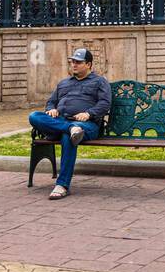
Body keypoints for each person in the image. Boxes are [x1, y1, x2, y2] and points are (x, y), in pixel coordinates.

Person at [28, 48, 112, 200]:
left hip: (87, 125)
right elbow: (51, 101)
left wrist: (88, 114)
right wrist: (51, 109)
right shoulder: (64, 83)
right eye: (73, 62)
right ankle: (70, 128)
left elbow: (105, 104)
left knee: (69, 137)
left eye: (78, 62)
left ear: (89, 64)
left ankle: (62, 185)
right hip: (62, 121)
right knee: (34, 116)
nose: (74, 64)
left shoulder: (99, 82)